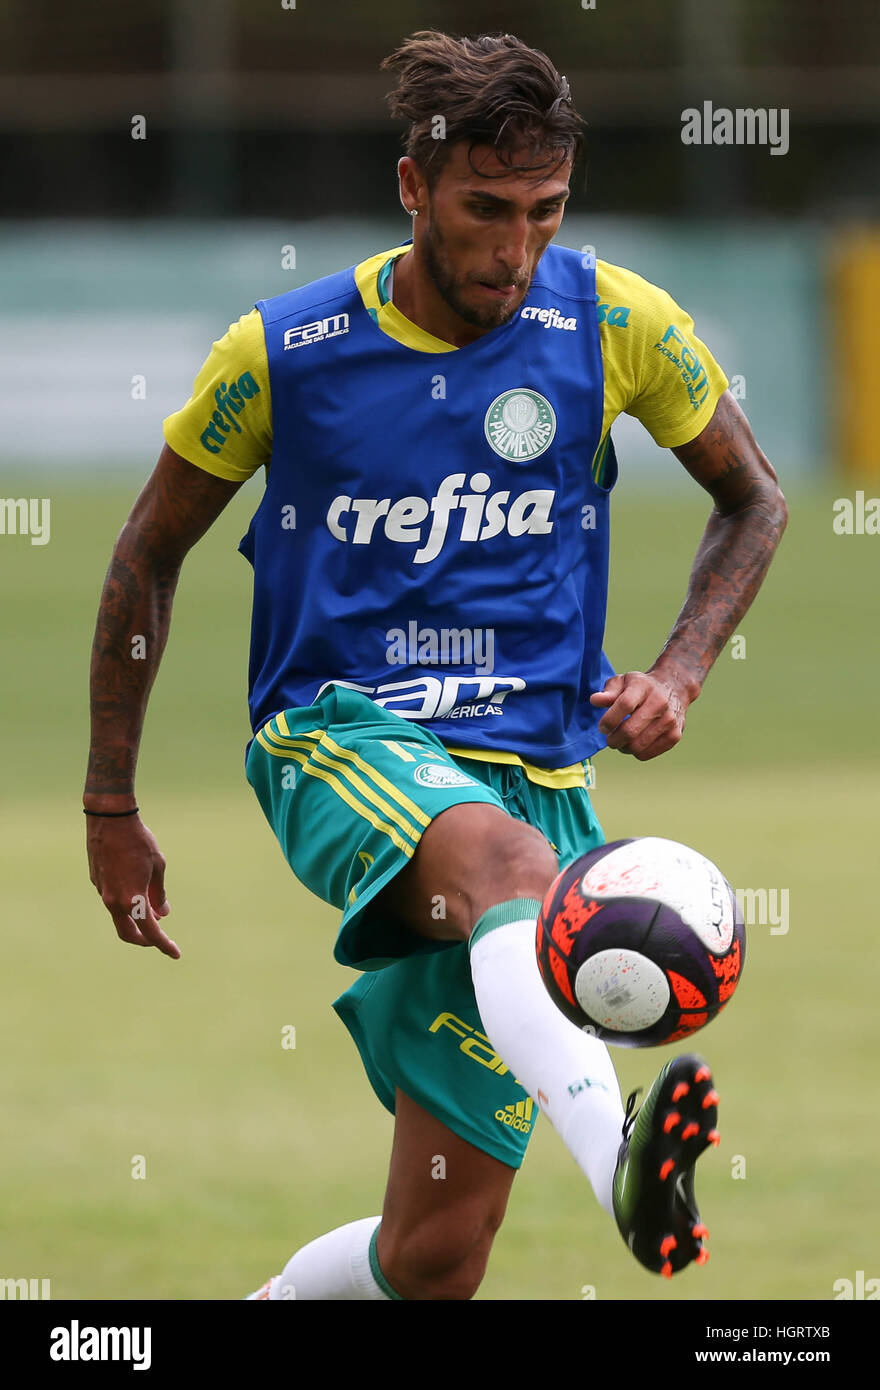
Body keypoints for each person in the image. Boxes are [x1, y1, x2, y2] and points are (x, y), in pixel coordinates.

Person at [84, 30, 787, 1301]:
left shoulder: (614, 321)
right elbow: (143, 558)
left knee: (432, 1258)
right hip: (340, 739)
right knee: (510, 870)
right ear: (413, 187)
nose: (514, 248)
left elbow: (754, 498)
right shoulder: (282, 356)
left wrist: (678, 671)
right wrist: (110, 803)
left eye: (544, 211)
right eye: (484, 209)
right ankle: (627, 1159)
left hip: (539, 776)